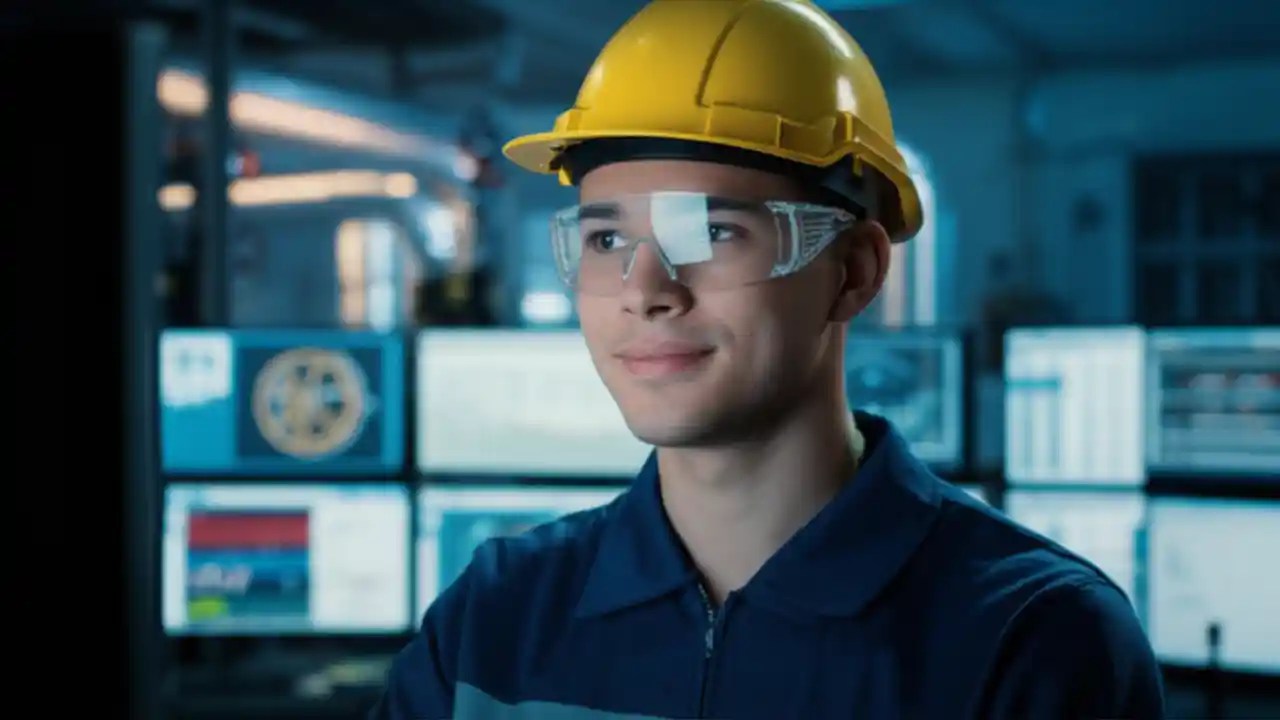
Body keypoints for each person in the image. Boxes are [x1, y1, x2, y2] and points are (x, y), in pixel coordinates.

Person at [371, 1, 1165, 718]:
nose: (645, 290)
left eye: (711, 233)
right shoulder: (496, 618)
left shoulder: (1030, 638)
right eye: (607, 240)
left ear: (853, 272)